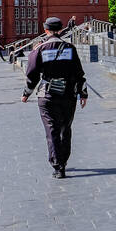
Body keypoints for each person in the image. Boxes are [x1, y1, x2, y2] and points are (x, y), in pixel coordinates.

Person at [22, 17, 88, 178]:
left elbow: (32, 74)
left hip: (47, 95)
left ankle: (58, 166)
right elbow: (79, 72)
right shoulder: (70, 48)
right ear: (61, 30)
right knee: (65, 128)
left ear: (46, 30)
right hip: (68, 95)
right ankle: (63, 161)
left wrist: (26, 93)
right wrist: (83, 93)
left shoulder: (39, 49)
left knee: (51, 129)